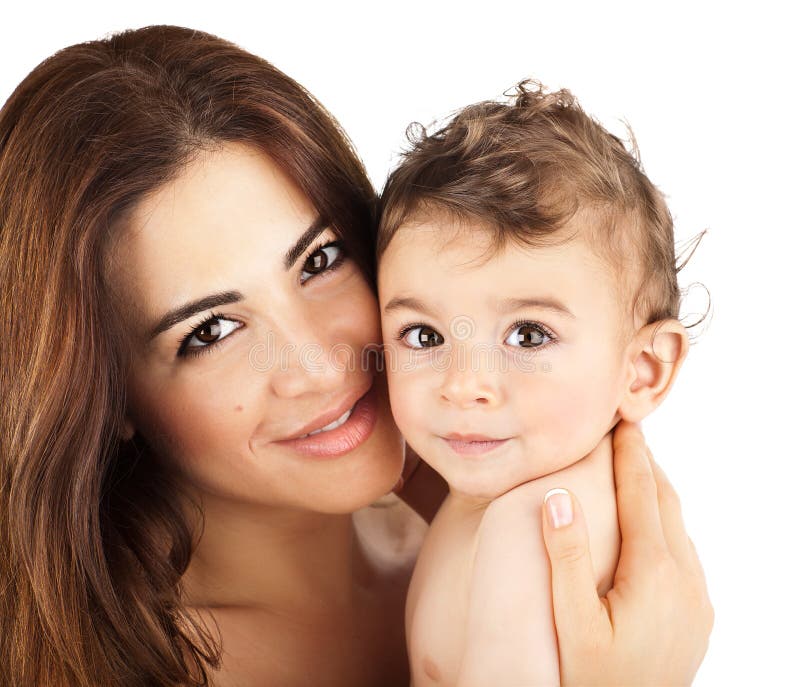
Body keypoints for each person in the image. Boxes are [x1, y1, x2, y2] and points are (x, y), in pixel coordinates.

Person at [0, 25, 712, 687]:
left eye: (321, 258)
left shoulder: (514, 533)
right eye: (211, 330)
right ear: (108, 396)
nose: (321, 364)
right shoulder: (131, 664)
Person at [377, 82, 706, 685]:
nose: (463, 385)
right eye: (424, 336)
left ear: (643, 370)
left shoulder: (532, 534)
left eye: (528, 336)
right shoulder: (496, 481)